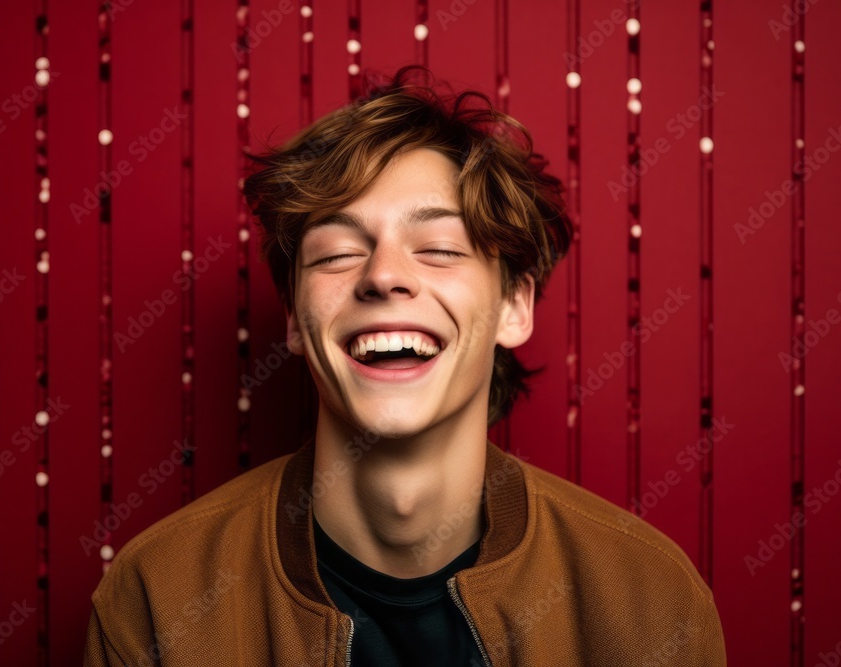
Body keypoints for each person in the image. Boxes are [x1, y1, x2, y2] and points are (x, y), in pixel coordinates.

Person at [83, 66, 726, 666]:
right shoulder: (156, 598)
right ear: (294, 320)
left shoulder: (648, 600)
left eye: (440, 248)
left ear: (513, 305)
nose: (384, 275)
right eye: (336, 253)